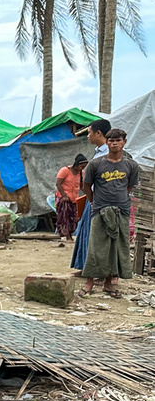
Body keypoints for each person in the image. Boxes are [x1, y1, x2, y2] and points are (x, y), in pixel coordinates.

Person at [79, 128, 140, 298]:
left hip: (122, 210)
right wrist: (93, 202)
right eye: (111, 140)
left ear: (124, 142)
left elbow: (129, 187)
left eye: (117, 140)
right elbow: (86, 186)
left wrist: (120, 200)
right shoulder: (96, 164)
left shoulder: (131, 165)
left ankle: (108, 284)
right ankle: (89, 282)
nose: (114, 143)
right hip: (100, 210)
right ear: (106, 142)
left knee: (116, 248)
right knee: (96, 246)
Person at [71, 119, 112, 272]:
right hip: (92, 198)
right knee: (87, 231)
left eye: (89, 133)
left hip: (101, 199)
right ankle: (85, 267)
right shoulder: (99, 151)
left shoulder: (108, 153)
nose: (88, 136)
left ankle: (99, 271)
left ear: (98, 133)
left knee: (98, 235)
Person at [55, 153, 88, 242]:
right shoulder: (65, 170)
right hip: (64, 197)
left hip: (74, 198)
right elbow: (58, 184)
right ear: (76, 164)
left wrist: (88, 194)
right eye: (81, 166)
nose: (82, 168)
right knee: (65, 216)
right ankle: (67, 236)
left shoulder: (81, 173)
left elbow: (81, 186)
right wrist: (64, 196)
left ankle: (70, 234)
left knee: (74, 217)